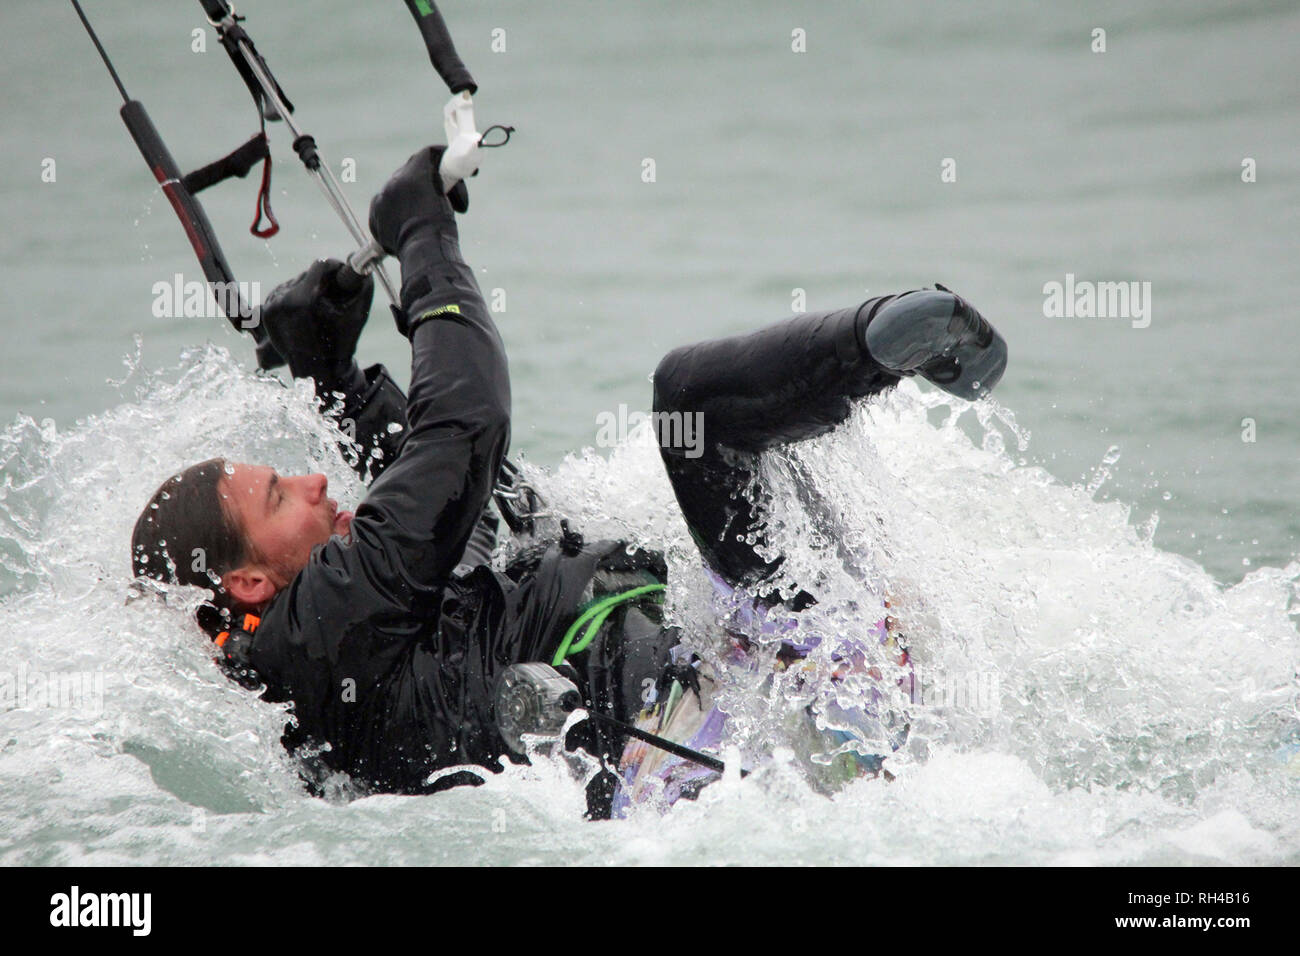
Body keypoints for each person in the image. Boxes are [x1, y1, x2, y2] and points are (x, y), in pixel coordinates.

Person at [130, 144, 1007, 814]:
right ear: (247, 580)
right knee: (690, 402)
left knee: (701, 444)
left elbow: (472, 502)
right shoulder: (315, 624)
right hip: (763, 740)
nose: (316, 484)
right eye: (279, 497)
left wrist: (339, 378)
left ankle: (885, 350)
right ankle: (882, 341)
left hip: (757, 719)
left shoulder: (337, 650)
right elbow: (466, 426)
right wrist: (426, 243)